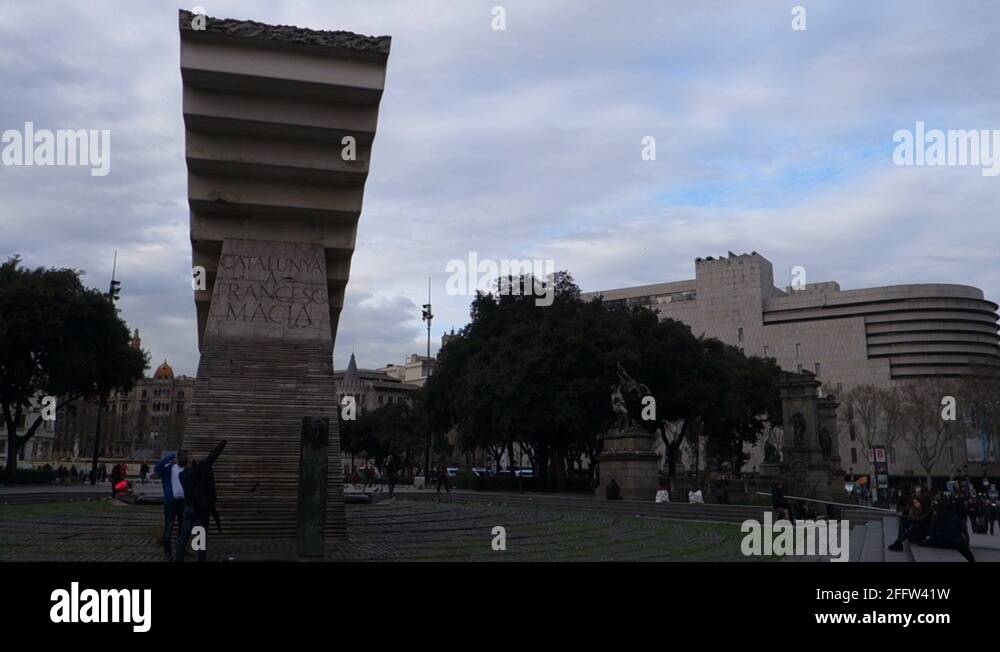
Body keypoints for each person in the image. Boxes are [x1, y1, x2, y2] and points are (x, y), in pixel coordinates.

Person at [175, 440, 227, 562]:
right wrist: (223, 443)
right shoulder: (199, 469)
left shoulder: (182, 475)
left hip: (188, 508)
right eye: (190, 456)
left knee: (183, 537)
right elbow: (211, 457)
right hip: (201, 509)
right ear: (188, 460)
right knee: (201, 539)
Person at [154, 451, 186, 561]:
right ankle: (167, 552)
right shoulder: (168, 466)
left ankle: (182, 549)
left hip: (183, 501)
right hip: (171, 502)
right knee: (169, 527)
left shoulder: (185, 467)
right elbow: (157, 469)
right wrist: (170, 459)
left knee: (183, 527)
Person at [926, 497, 975, 562]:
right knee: (968, 554)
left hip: (940, 541)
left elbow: (932, 531)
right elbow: (961, 528)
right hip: (954, 541)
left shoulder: (937, 516)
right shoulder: (954, 516)